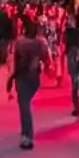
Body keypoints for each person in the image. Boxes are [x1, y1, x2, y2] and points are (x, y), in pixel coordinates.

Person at [10, 17, 50, 149]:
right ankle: (26, 132)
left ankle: (27, 135)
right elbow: (46, 59)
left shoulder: (19, 43)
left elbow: (16, 62)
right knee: (25, 104)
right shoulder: (40, 43)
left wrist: (12, 78)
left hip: (22, 76)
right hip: (34, 77)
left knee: (24, 105)